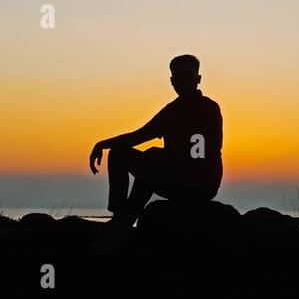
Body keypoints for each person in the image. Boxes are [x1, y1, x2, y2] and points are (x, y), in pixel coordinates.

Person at [89, 55, 223, 224]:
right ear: (172, 80)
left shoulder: (208, 108)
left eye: (187, 75)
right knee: (120, 154)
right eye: (178, 76)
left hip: (200, 182)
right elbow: (138, 136)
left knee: (151, 161)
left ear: (198, 79)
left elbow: (204, 151)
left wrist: (163, 155)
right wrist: (103, 144)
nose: (183, 80)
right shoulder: (171, 111)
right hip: (174, 176)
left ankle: (124, 219)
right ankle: (121, 215)